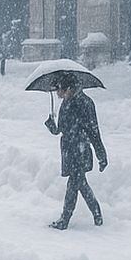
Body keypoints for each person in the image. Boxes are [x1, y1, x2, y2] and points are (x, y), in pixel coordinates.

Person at [47, 75, 107, 229]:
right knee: (81, 184)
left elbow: (94, 131)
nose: (57, 93)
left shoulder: (85, 103)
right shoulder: (66, 102)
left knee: (73, 184)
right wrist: (52, 126)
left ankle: (65, 219)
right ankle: (97, 214)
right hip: (68, 149)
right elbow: (62, 129)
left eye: (59, 89)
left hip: (80, 149)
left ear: (68, 88)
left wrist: (101, 155)